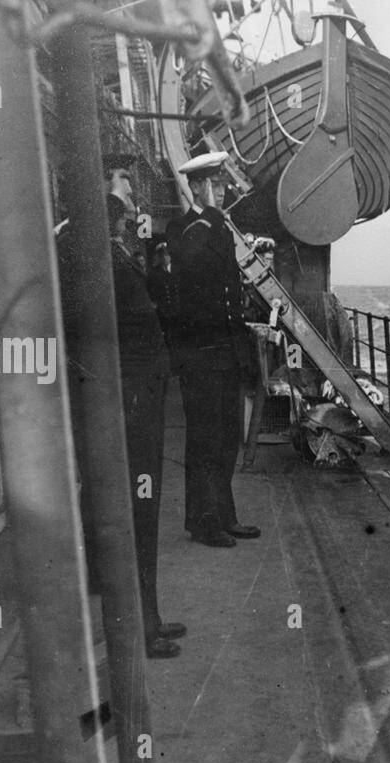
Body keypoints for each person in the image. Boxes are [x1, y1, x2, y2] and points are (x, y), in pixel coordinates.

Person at [102, 158, 185, 659]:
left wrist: (153, 252)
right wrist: (111, 201)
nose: (133, 193)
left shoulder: (116, 245)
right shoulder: (81, 241)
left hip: (142, 396)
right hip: (126, 401)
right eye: (123, 183)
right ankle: (136, 627)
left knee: (144, 510)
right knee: (134, 512)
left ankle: (147, 616)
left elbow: (154, 301)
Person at [165, 151, 260, 547]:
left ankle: (224, 515)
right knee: (204, 441)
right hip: (201, 355)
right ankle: (202, 522)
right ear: (198, 186)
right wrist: (209, 218)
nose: (222, 191)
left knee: (224, 440)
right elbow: (190, 266)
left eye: (222, 184)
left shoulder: (215, 227)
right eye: (215, 185)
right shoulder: (188, 229)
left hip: (226, 353)